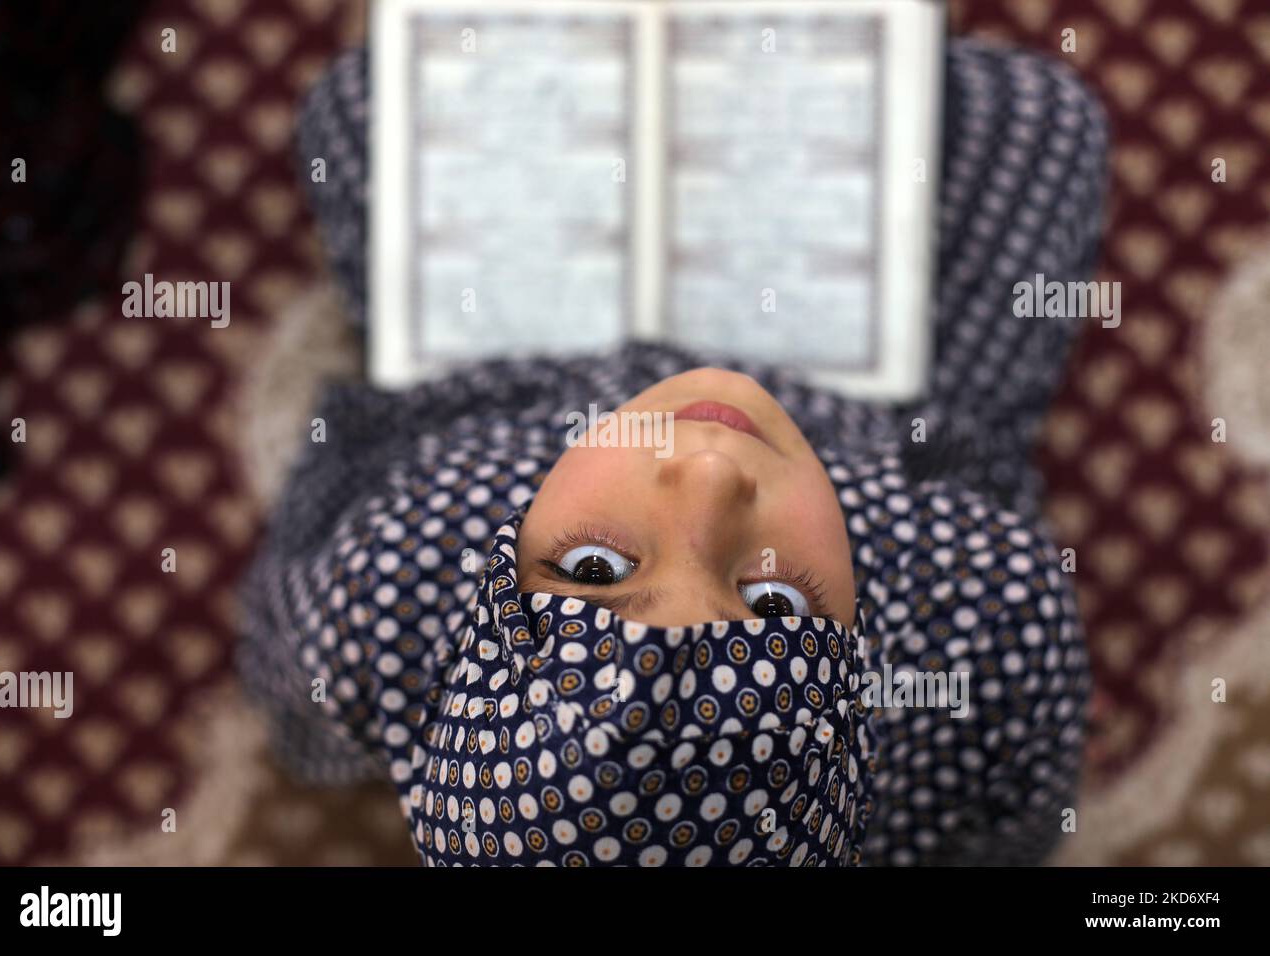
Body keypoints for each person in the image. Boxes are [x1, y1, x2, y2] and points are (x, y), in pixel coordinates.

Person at [239, 39, 1108, 865]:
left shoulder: (393, 583)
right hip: (867, 409)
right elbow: (1012, 831)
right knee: (1041, 117)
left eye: (590, 566)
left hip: (515, 368)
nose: (707, 474)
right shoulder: (986, 612)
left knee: (364, 98)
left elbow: (300, 678)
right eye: (773, 604)